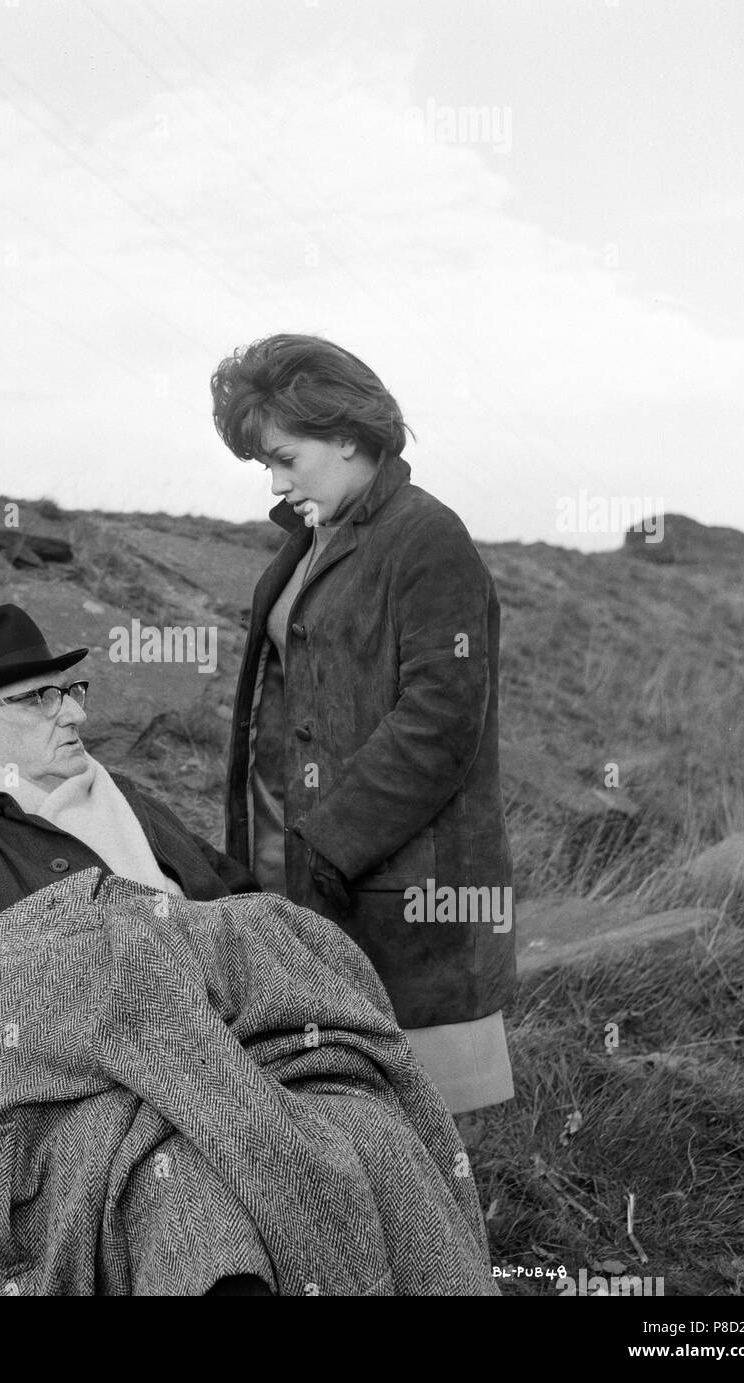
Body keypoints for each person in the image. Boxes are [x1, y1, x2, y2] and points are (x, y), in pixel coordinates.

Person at [211, 333, 516, 1116]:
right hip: (298, 885)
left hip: (403, 894)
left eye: (285, 457)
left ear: (348, 434)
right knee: (333, 1131)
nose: (275, 481)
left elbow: (441, 721)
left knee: (430, 1147)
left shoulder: (427, 537)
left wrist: (330, 846)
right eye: (264, 466)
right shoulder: (308, 543)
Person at [0, 603, 259, 1036]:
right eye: (42, 699)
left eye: (69, 692)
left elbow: (245, 904)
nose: (77, 715)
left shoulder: (129, 800)